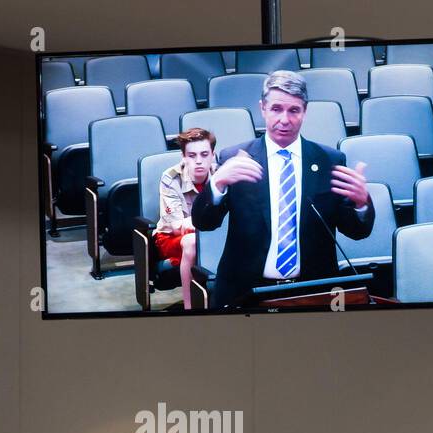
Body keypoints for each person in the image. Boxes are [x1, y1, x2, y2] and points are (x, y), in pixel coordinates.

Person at [191, 69, 374, 309]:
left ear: (305, 112)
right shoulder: (235, 158)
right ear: (263, 109)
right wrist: (216, 184)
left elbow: (356, 231)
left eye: (294, 110)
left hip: (312, 291)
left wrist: (361, 204)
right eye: (276, 109)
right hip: (245, 291)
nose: (284, 120)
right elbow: (204, 222)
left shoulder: (330, 161)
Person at [153, 127, 217, 310]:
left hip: (208, 235)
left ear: (213, 155)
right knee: (191, 242)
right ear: (183, 157)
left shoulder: (220, 175)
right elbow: (175, 226)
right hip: (170, 239)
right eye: (192, 155)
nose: (199, 161)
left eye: (204, 154)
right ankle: (190, 308)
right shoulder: (170, 178)